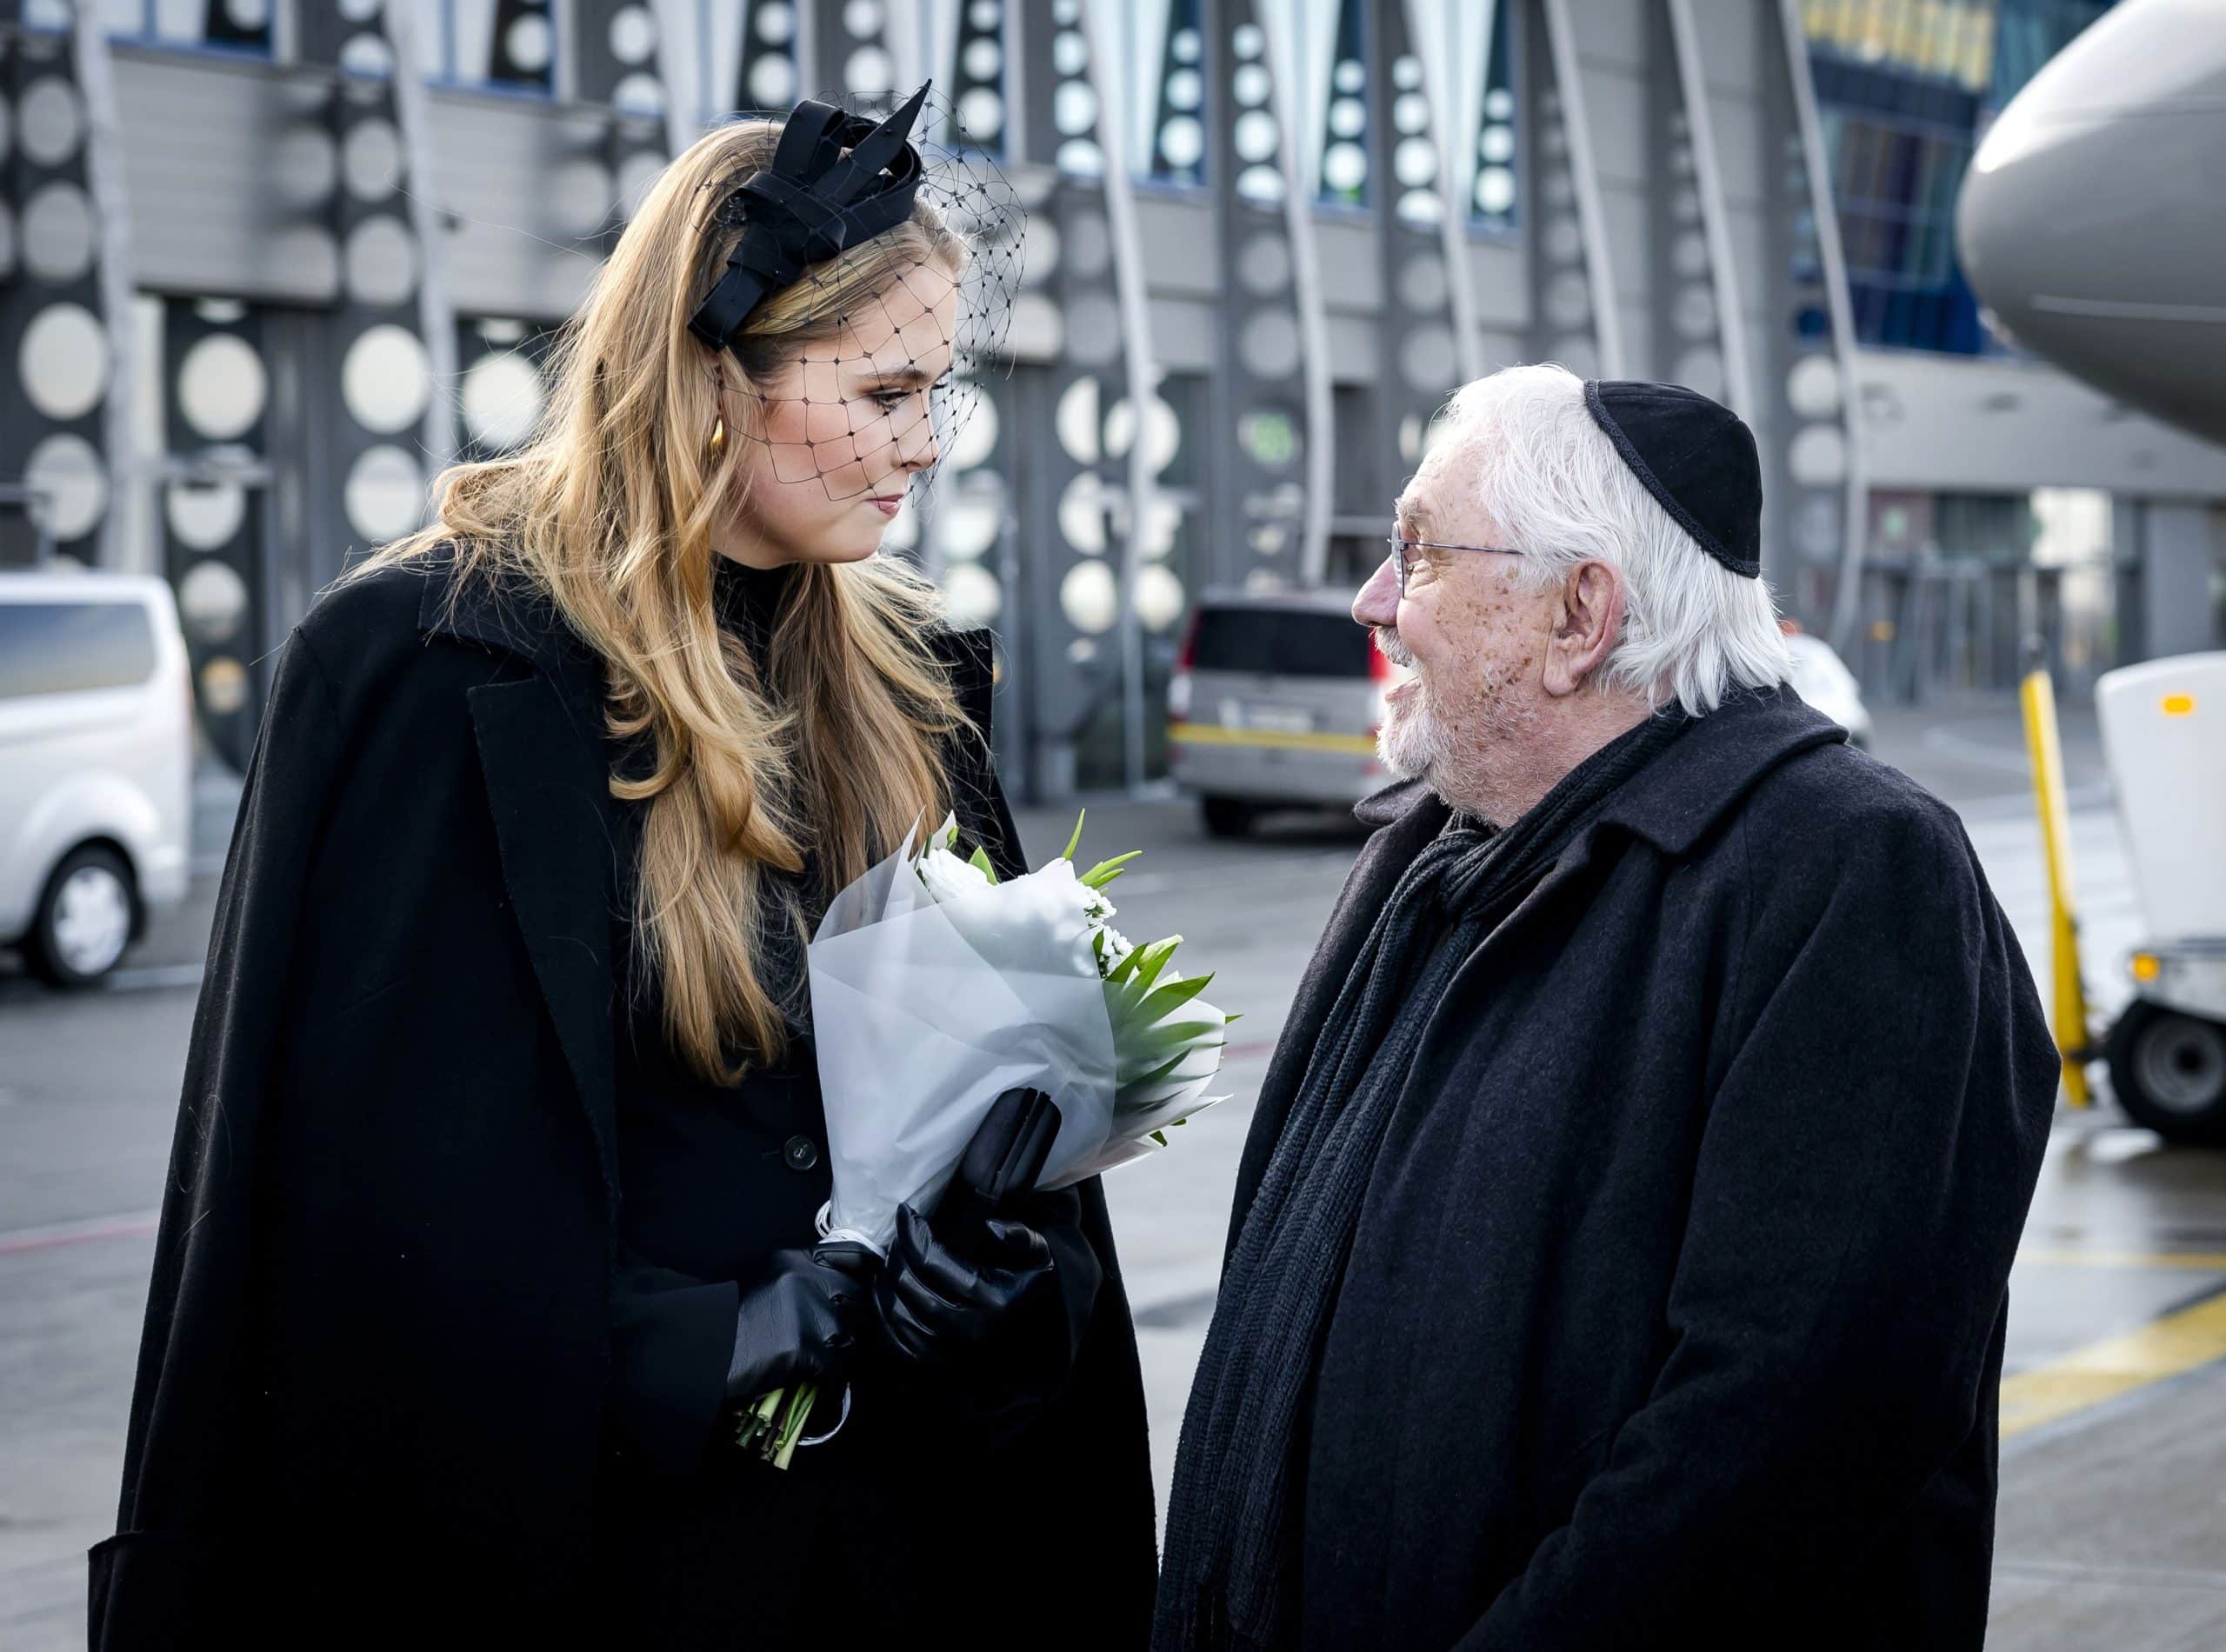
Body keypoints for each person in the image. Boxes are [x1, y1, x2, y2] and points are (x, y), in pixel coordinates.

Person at [92, 91, 1156, 1649]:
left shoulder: (912, 684)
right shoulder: (428, 669)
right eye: (883, 391)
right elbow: (347, 1213)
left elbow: (1014, 1161)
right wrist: (685, 1345)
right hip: (591, 1579)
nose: (925, 443)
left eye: (938, 392)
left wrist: (1011, 1301)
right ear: (715, 375)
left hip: (897, 1571)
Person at [1155, 363, 2060, 1651]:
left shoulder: (1850, 872)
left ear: (1580, 614)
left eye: (1418, 553)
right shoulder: (1429, 852)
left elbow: (1783, 1439)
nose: (1375, 603)